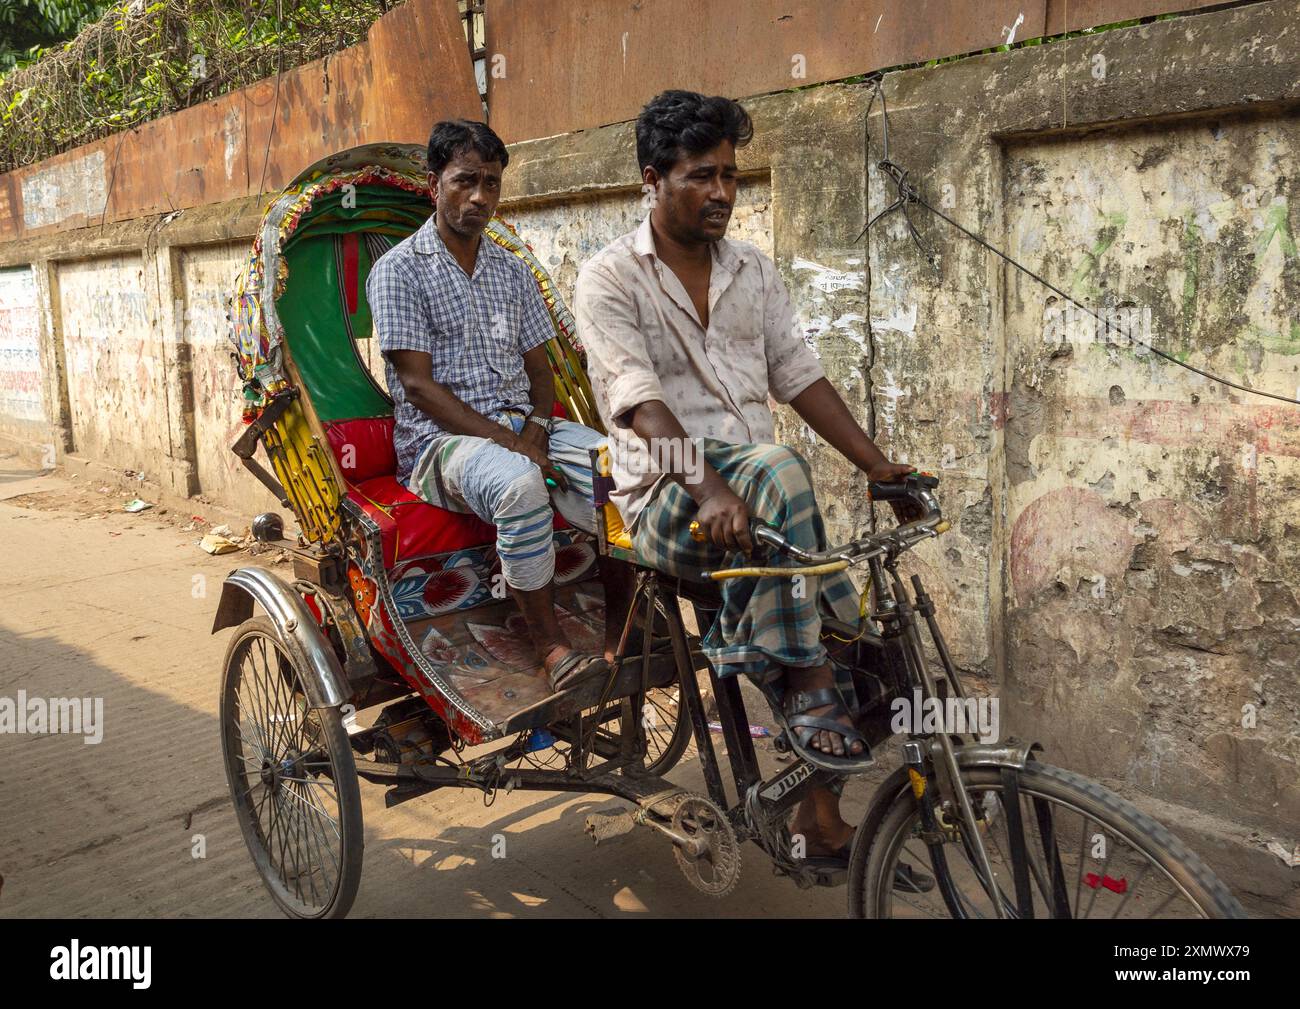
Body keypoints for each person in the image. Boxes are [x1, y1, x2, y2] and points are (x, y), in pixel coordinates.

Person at [575, 90, 917, 865]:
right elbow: (637, 403)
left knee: (848, 612)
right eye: (703, 175)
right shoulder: (609, 278)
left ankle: (816, 820)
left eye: (731, 175)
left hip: (757, 497)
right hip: (667, 495)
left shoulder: (752, 271)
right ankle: (800, 683)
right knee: (778, 474)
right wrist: (708, 488)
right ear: (652, 179)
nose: (724, 192)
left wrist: (879, 467)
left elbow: (799, 376)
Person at [368, 119, 619, 693]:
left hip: (522, 428)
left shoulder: (511, 270)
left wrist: (533, 428)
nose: (480, 197)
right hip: (441, 444)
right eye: (465, 181)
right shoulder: (399, 271)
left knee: (618, 467)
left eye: (491, 184)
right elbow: (420, 387)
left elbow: (540, 369)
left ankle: (618, 631)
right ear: (434, 183)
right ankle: (550, 646)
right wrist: (515, 446)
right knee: (519, 485)